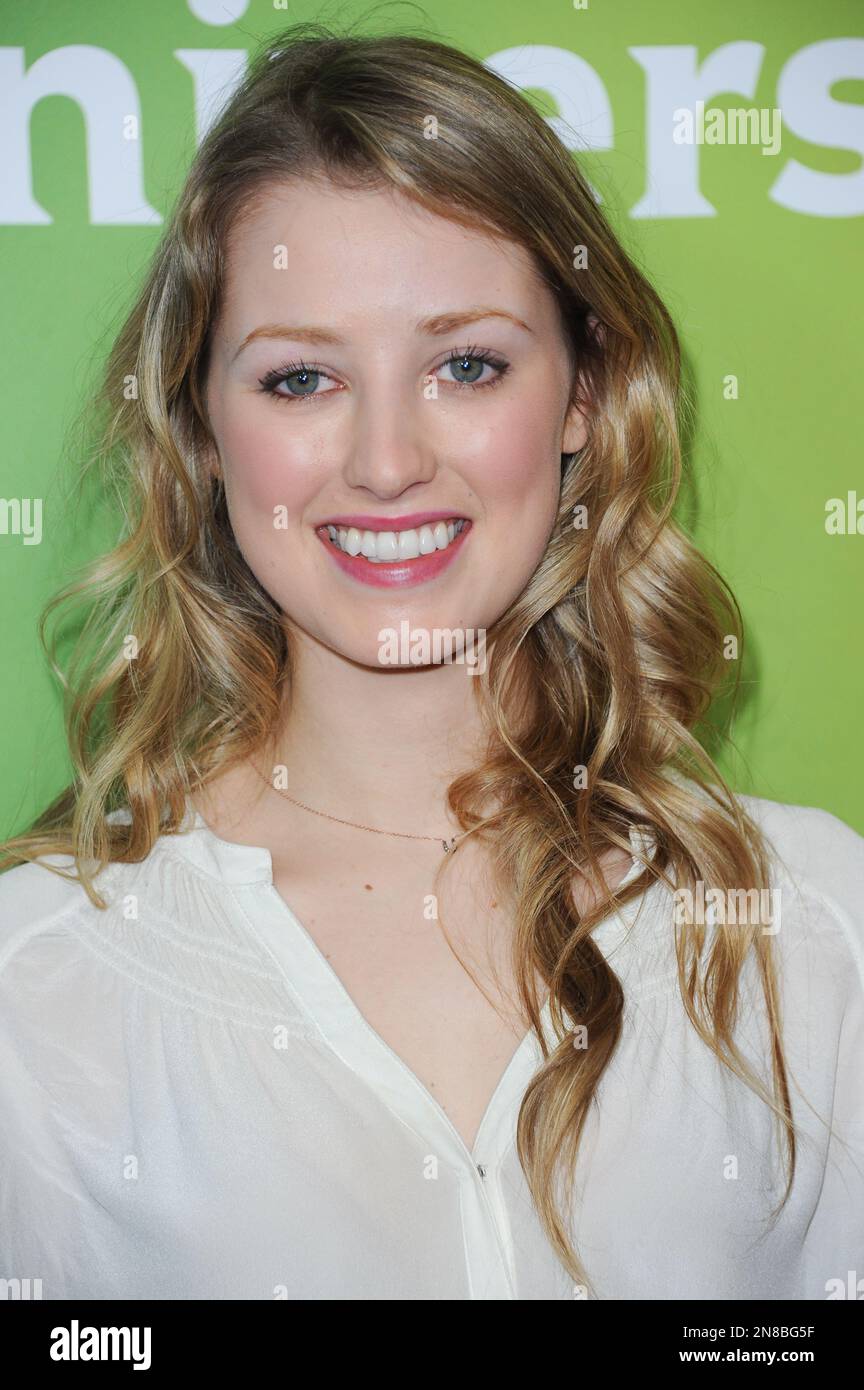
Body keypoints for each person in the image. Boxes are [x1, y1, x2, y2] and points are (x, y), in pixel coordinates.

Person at [0, 24, 861, 1302]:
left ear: (583, 392)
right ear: (201, 427)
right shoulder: (38, 981)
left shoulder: (812, 924)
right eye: (300, 378)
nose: (389, 460)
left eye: (467, 363)